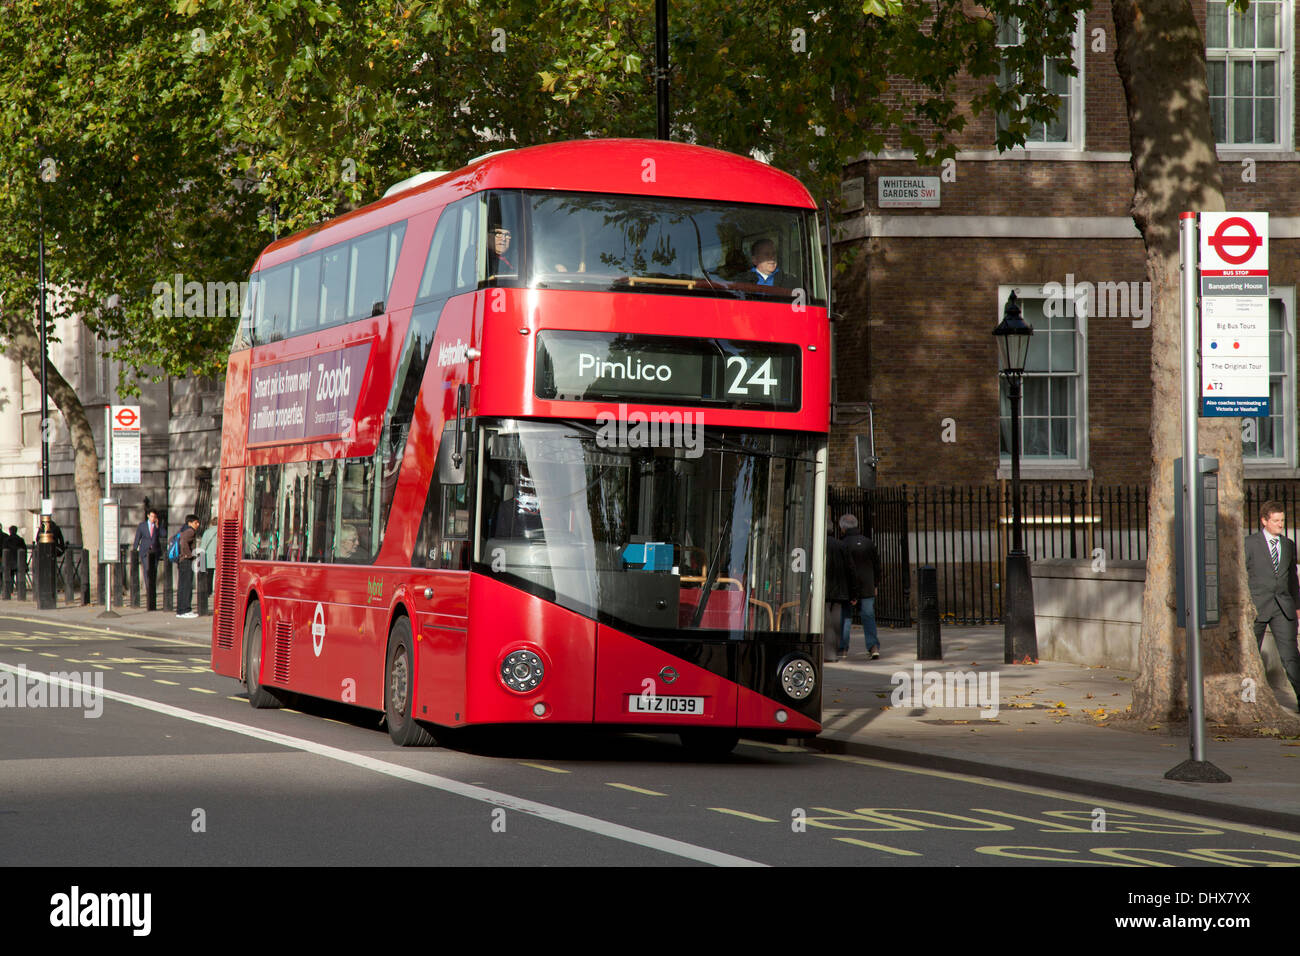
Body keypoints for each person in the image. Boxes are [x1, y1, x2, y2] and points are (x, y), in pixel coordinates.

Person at [1245, 500, 1300, 712]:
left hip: (1283, 608)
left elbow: (1293, 579)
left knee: (1291, 656)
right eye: (1276, 520)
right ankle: (1248, 701)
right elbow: (1242, 575)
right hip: (1257, 607)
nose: (1280, 524)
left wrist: (1296, 605)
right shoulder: (1250, 544)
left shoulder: (1288, 545)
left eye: (1282, 520)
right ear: (1264, 521)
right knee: (1250, 656)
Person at [839, 513, 882, 660]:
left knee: (845, 617)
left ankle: (843, 648)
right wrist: (875, 584)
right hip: (868, 586)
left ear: (843, 528)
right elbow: (877, 565)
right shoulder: (868, 542)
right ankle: (873, 646)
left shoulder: (843, 544)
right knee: (868, 616)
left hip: (849, 587)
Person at [823, 521, 854, 663]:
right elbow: (850, 568)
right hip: (840, 589)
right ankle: (835, 651)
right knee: (836, 622)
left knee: (826, 622)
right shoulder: (842, 545)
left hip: (825, 588)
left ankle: (828, 653)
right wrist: (854, 592)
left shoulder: (819, 545)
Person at [132, 509, 165, 610]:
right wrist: (134, 549)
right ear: (148, 516)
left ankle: (152, 589)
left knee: (153, 571)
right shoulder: (142, 526)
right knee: (147, 571)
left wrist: (158, 526)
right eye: (151, 516)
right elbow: (138, 537)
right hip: (145, 551)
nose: (153, 518)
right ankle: (148, 589)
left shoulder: (157, 526)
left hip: (154, 552)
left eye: (154, 517)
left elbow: (163, 534)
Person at [176, 514, 201, 619]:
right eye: (196, 522)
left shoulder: (182, 530)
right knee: (187, 586)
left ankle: (180, 610)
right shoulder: (190, 531)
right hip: (186, 561)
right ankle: (186, 610)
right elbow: (183, 542)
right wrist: (189, 555)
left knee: (182, 586)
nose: (198, 525)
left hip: (181, 561)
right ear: (190, 523)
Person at [200, 516, 218, 612]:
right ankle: (216, 590)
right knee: (217, 574)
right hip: (217, 557)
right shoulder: (221, 532)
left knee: (209, 575)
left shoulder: (207, 532)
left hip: (208, 557)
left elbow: (203, 545)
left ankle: (209, 591)